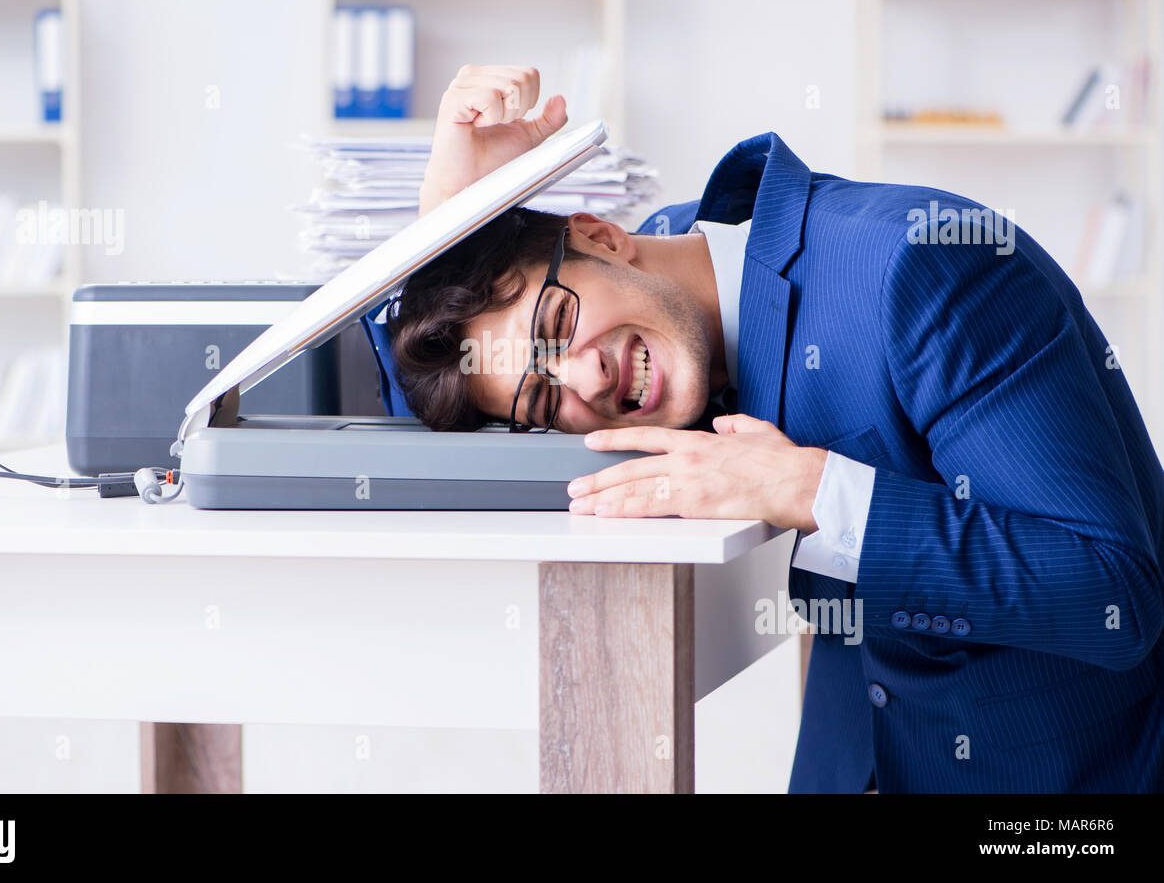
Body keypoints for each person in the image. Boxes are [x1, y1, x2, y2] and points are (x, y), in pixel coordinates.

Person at [384, 64, 1164, 793]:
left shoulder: (916, 269)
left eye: (558, 324)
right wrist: (441, 221)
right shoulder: (674, 260)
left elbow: (1116, 594)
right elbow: (412, 398)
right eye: (543, 398)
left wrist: (809, 489)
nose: (587, 380)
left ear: (601, 234)